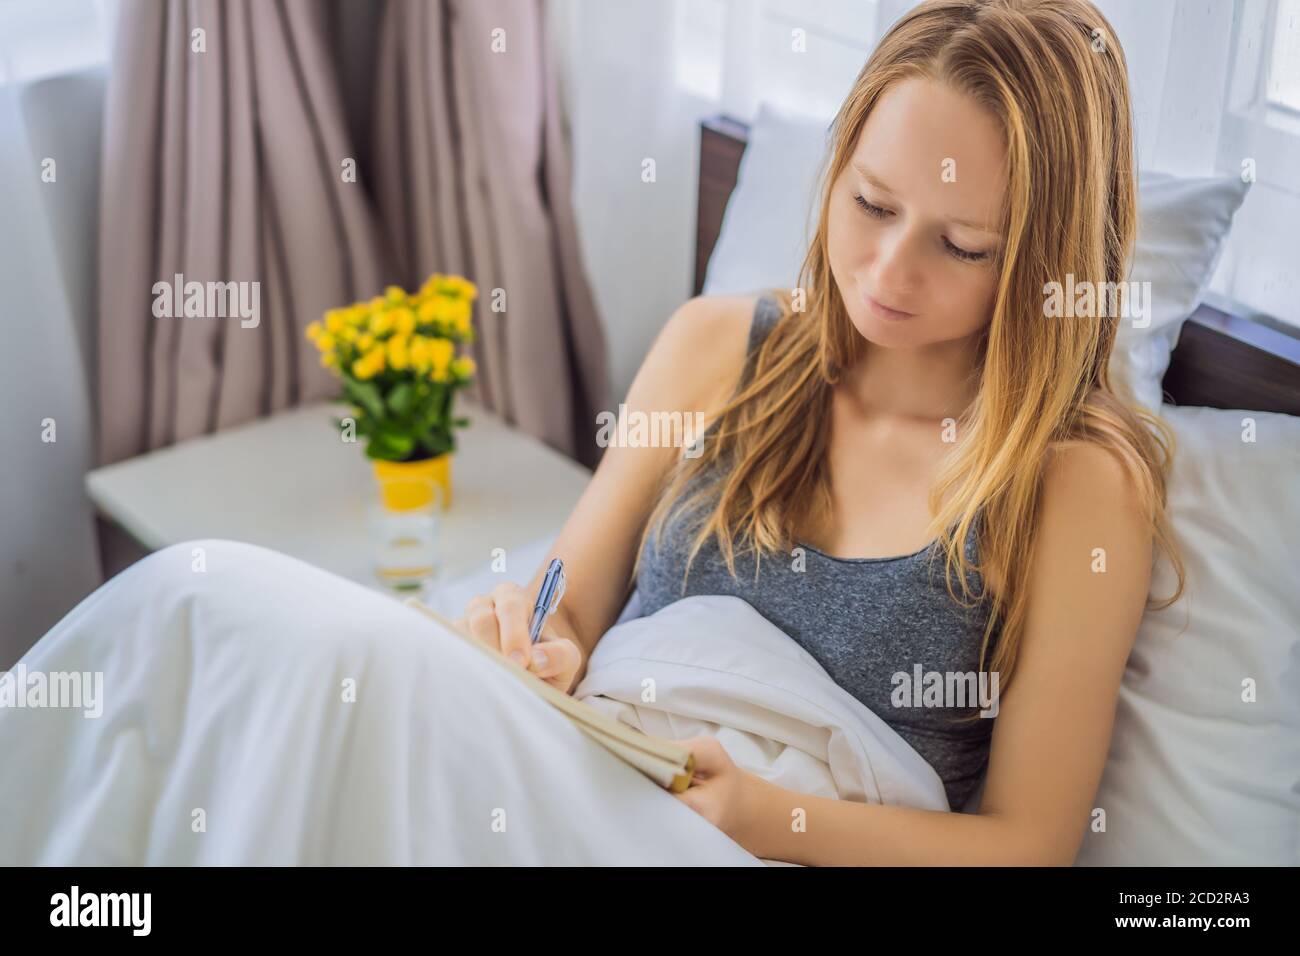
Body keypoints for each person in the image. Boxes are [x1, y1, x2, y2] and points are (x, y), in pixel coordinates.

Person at [458, 0, 1185, 865]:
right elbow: (569, 607)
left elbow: (1027, 845)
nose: (887, 271)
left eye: (960, 247)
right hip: (578, 786)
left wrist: (759, 818)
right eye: (872, 204)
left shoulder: (1077, 483)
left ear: (1042, 260)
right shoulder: (715, 345)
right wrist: (530, 645)